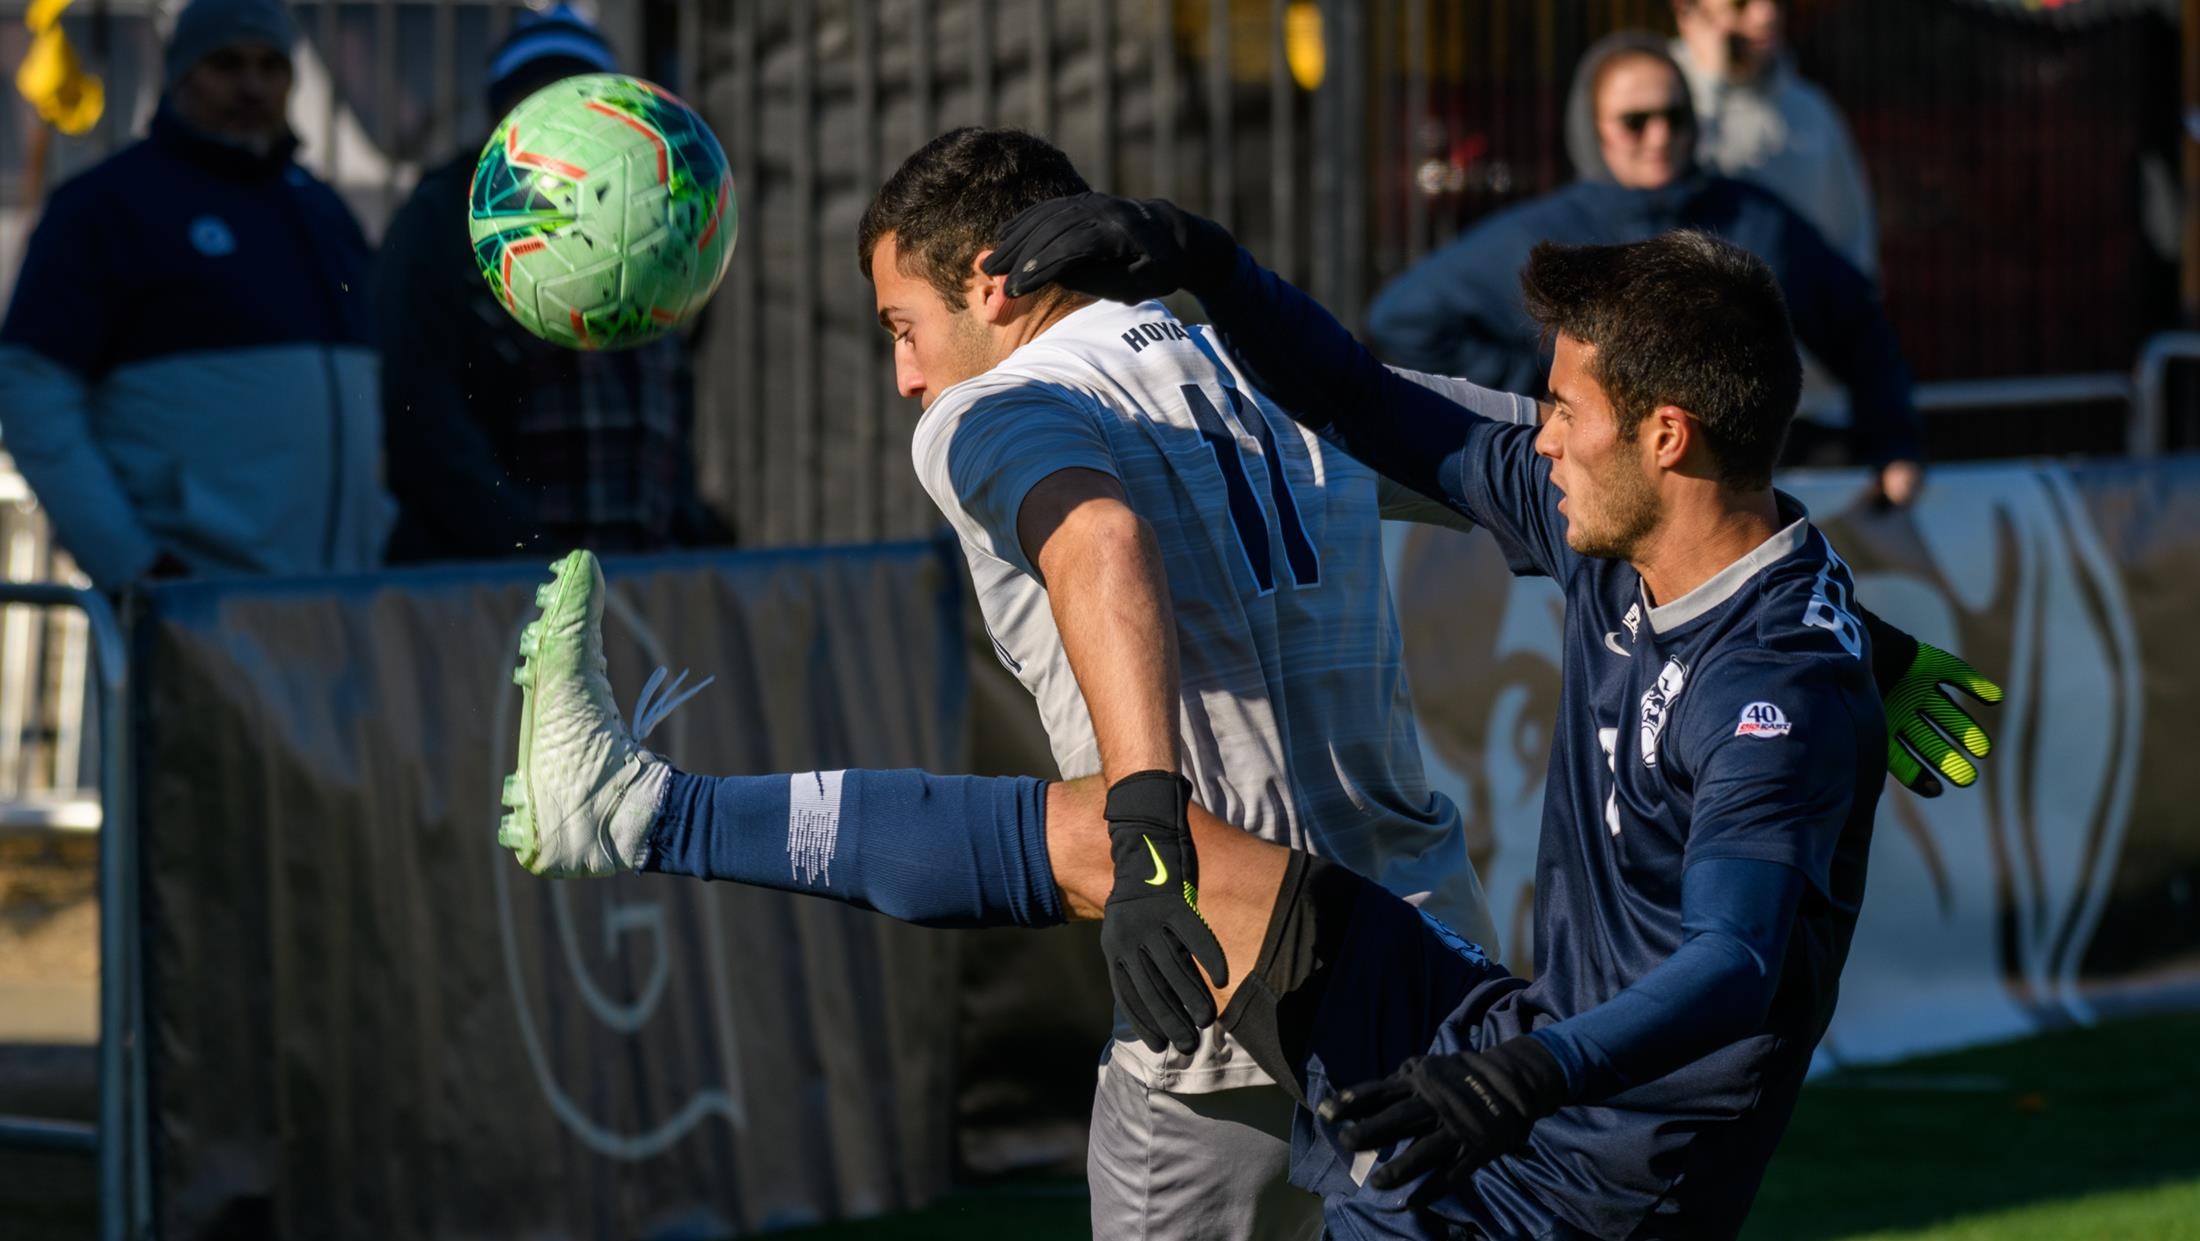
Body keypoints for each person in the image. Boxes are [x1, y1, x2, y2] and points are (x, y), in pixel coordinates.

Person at [495, 214, 2003, 1237]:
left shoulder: (1776, 701)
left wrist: (1521, 1080)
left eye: (1564, 406)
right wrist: (1199, 256)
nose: (1536, 431)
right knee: (1120, 833)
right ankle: (634, 809)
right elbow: (1355, 394)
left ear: (1666, 437)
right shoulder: (1642, 537)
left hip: (1595, 1185)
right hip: (1503, 1040)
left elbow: (1735, 964)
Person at [1366, 34, 1923, 506]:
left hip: (1740, 505)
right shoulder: (1545, 235)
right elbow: (1403, 318)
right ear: (1595, 126)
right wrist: (1549, 396)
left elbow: (1859, 325)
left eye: (1674, 116)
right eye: (1635, 121)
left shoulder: (1752, 219)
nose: (1659, 137)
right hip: (1602, 505)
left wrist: (1893, 444)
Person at [0, 0, 388, 591]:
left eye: (271, 66)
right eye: (226, 64)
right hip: (197, 601)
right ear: (181, 72)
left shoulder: (319, 209)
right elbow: (31, 391)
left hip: (339, 603)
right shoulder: (108, 207)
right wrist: (130, 563)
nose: (251, 86)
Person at [374, 3, 728, 562]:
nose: (568, 130)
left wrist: (685, 527)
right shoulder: (450, 215)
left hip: (636, 569)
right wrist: (524, 549)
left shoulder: (654, 207)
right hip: (503, 584)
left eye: (582, 103)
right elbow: (421, 412)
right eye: (544, 103)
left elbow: (672, 394)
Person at [1671, 0, 1878, 277]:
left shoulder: (1810, 109)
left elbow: (1851, 234)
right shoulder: (1647, 106)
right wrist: (1711, 87)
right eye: (1739, 5)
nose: (1766, 15)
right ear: (1687, 14)